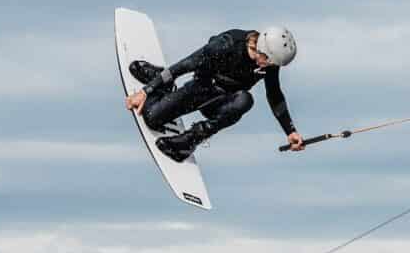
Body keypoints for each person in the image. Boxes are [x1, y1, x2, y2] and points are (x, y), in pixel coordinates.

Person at [126, 26, 305, 162]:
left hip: (220, 102)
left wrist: (290, 131)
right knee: (151, 118)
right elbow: (186, 64)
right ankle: (161, 81)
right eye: (269, 60)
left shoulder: (269, 64)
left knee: (245, 100)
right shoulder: (227, 43)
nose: (269, 66)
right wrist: (146, 90)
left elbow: (275, 95)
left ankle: (189, 141)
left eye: (274, 63)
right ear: (262, 48)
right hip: (201, 88)